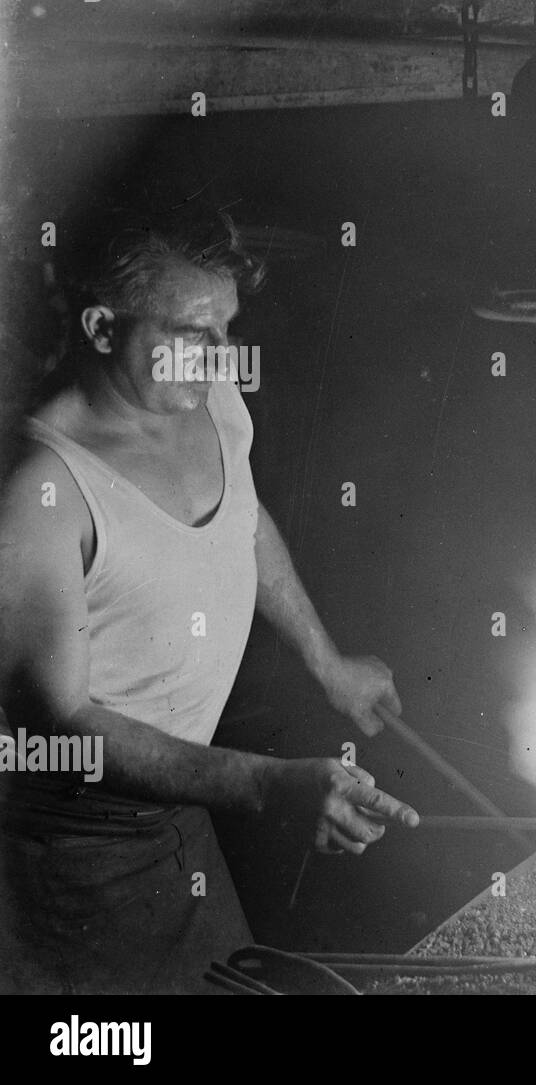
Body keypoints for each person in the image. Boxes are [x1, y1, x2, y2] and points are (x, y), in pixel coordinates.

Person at [0, 206, 418, 993]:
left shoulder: (207, 396)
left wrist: (325, 660)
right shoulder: (41, 492)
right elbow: (62, 724)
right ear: (100, 326)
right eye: (197, 334)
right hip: (74, 857)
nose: (226, 357)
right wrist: (266, 784)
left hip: (182, 816)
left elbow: (242, 518)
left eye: (229, 329)